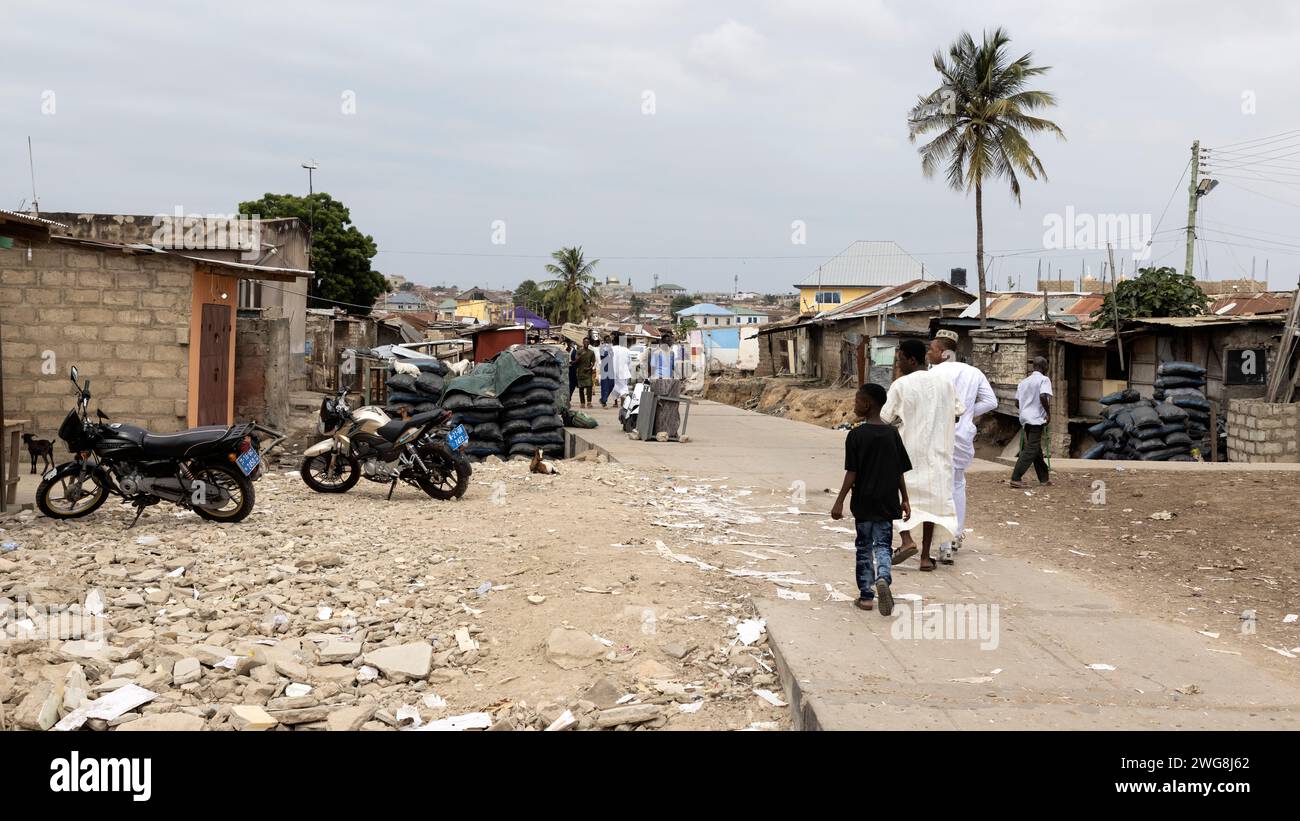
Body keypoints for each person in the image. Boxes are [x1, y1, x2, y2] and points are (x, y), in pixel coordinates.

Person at [882, 338, 961, 572]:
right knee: (930, 506)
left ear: (912, 359)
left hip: (908, 452)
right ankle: (925, 558)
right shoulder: (945, 383)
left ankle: (906, 541)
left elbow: (885, 419)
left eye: (900, 360)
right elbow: (957, 413)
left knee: (899, 498)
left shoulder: (901, 385)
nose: (898, 366)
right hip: (939, 452)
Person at [831, 383, 911, 615]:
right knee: (883, 544)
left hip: (863, 502)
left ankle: (866, 596)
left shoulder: (856, 435)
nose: (854, 406)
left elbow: (852, 473)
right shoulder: (892, 434)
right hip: (887, 500)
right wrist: (905, 498)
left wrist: (839, 501)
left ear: (867, 404)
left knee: (864, 547)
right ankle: (883, 577)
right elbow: (899, 471)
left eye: (857, 402)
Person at [927, 333, 997, 564]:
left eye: (932, 350)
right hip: (963, 435)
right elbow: (991, 402)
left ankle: (944, 544)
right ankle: (956, 534)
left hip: (939, 434)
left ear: (944, 353)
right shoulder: (973, 372)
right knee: (958, 484)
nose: (929, 354)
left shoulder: (934, 372)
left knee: (941, 487)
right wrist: (967, 413)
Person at [1010, 356, 1053, 488]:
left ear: (1033, 366)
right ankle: (1015, 477)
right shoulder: (1044, 379)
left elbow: (1017, 403)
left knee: (1036, 449)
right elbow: (1042, 396)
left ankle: (1044, 478)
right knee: (1032, 448)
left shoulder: (1023, 382)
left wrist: (1026, 408)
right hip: (1036, 419)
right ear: (1044, 367)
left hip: (1025, 418)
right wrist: (1048, 413)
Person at [609, 335, 632, 406]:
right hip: (623, 372)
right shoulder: (626, 350)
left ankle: (615, 402)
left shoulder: (610, 349)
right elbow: (629, 362)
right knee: (623, 387)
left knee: (613, 387)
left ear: (613, 341)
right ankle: (623, 400)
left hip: (612, 372)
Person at [575, 338, 597, 408]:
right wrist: (581, 355)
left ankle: (589, 402)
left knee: (589, 387)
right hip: (580, 371)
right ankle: (582, 403)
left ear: (589, 343)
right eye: (585, 342)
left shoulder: (591, 352)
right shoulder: (579, 351)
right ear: (583, 342)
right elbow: (576, 361)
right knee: (581, 388)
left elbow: (593, 362)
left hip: (588, 372)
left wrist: (589, 368)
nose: (586, 343)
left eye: (587, 342)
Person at [598, 336, 616, 407]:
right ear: (605, 341)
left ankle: (603, 399)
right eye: (607, 340)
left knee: (612, 384)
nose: (609, 340)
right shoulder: (602, 347)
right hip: (604, 368)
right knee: (604, 385)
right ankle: (604, 401)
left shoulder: (612, 347)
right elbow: (602, 356)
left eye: (610, 339)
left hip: (611, 368)